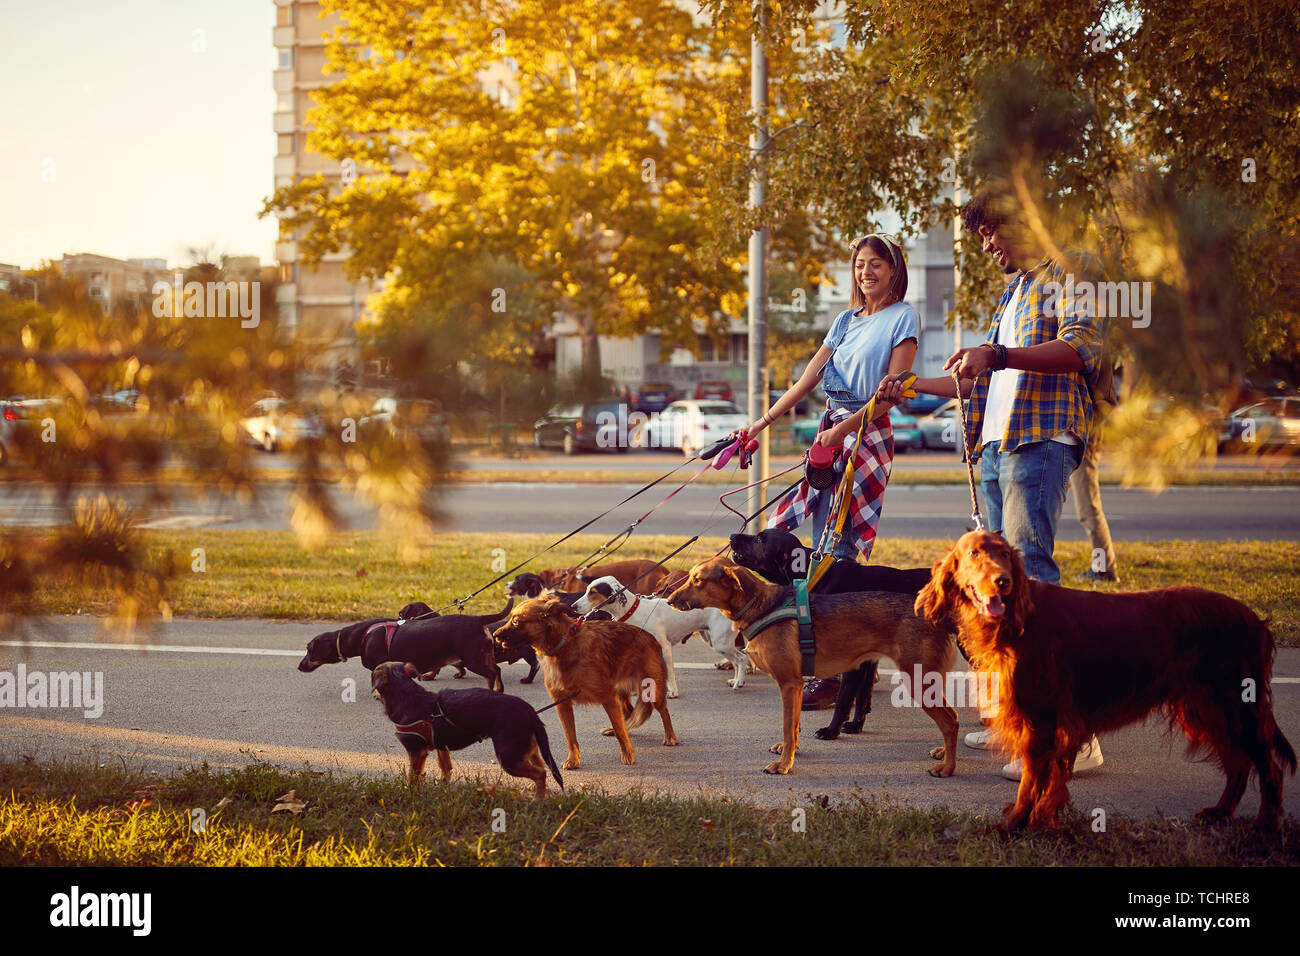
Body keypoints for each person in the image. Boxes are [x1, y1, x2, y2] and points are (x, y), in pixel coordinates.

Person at [876, 191, 1107, 776]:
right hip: (1000, 449)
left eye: (989, 234)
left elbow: (1082, 348)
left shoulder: (1070, 268)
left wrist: (998, 353)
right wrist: (908, 387)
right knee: (996, 591)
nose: (986, 245)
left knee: (1036, 581)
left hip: (1041, 441)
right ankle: (1019, 717)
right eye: (978, 237)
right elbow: (976, 384)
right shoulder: (1015, 292)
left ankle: (1070, 736)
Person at [735, 233, 919, 708]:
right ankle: (839, 661)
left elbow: (889, 395)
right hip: (831, 433)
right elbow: (806, 381)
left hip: (865, 433)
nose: (867, 272)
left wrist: (843, 433)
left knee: (840, 549)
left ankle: (847, 667)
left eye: (877, 263)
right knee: (815, 552)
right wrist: (761, 424)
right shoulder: (844, 321)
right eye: (860, 264)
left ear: (894, 270)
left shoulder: (903, 318)